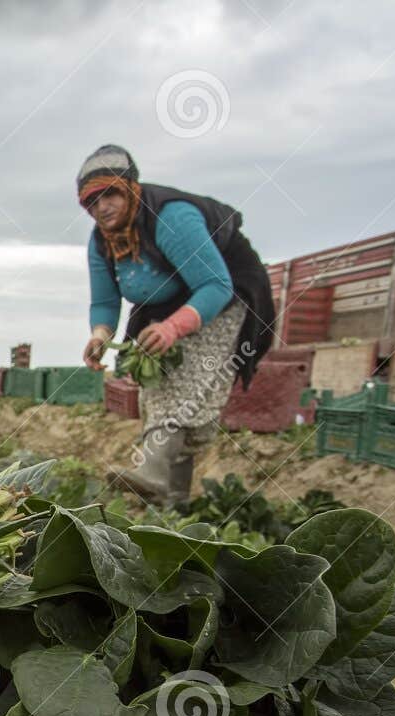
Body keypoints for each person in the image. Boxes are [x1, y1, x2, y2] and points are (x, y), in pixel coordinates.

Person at [78, 144, 274, 504]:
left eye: (109, 194)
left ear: (129, 187)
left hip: (220, 297)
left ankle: (153, 472)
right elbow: (105, 301)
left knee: (186, 384)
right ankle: (174, 498)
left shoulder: (171, 218)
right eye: (91, 202)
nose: (101, 207)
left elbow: (215, 285)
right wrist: (100, 334)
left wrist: (172, 328)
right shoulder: (101, 240)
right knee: (156, 388)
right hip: (160, 306)